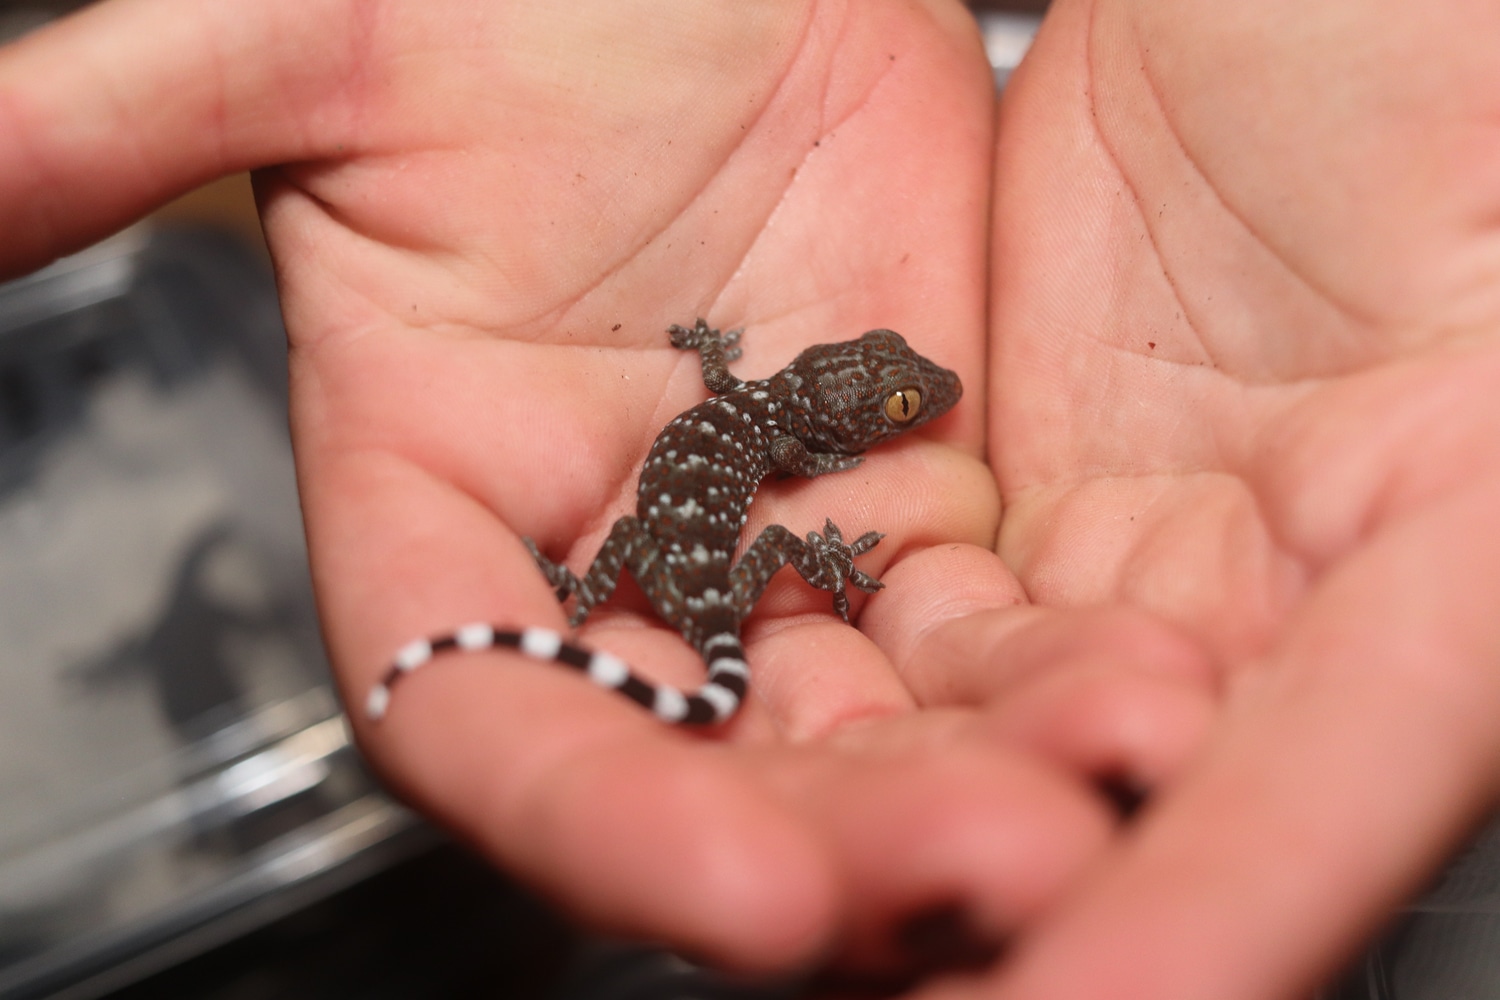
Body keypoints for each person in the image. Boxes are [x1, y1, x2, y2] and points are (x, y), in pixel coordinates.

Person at [5, 0, 1496, 996]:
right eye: (900, 402)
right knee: (748, 583)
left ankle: (572, 625)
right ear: (845, 400)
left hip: (650, 559)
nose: (919, 407)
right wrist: (827, 568)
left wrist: (578, 592)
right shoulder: (789, 455)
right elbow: (772, 492)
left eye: (906, 400)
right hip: (703, 579)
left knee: (643, 584)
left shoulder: (760, 406)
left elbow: (730, 418)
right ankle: (616, 640)